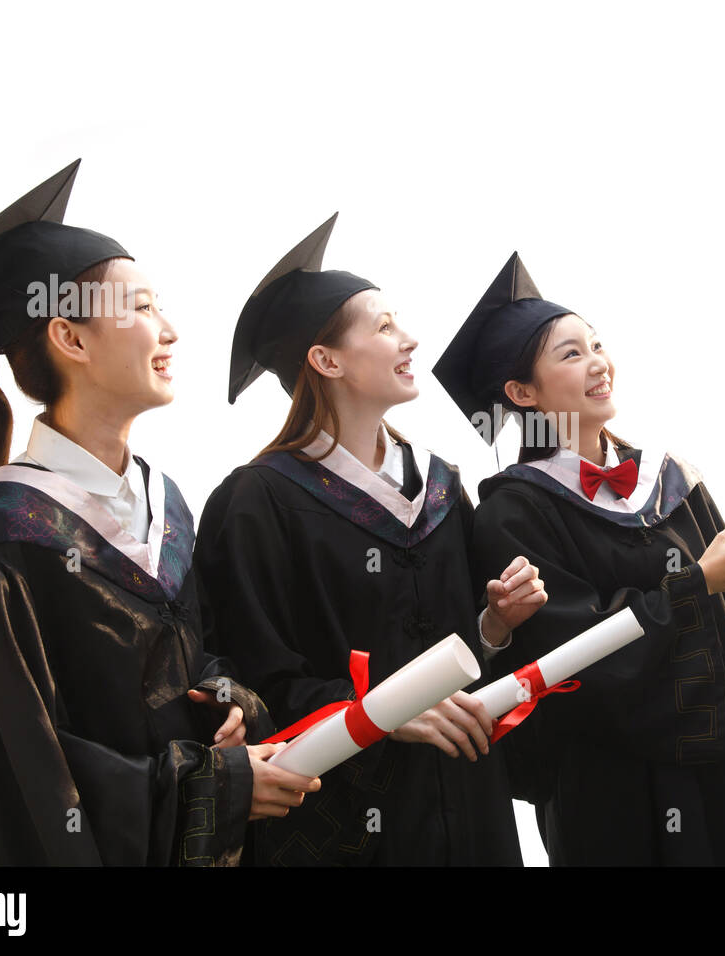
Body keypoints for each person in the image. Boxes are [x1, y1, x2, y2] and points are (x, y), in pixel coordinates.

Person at [0, 160, 319, 866]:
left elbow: (198, 655)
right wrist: (216, 788)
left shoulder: (168, 508)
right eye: (144, 307)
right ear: (71, 339)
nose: (172, 330)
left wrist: (226, 699)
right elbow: (10, 779)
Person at [437, 252, 725, 865]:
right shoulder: (512, 514)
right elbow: (576, 659)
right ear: (521, 393)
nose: (598, 363)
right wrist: (699, 582)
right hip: (612, 794)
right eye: (571, 354)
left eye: (595, 343)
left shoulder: (672, 479)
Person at [194, 214, 543, 866]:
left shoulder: (439, 486)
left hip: (468, 804)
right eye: (384, 327)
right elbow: (252, 681)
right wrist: (380, 711)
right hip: (342, 824)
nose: (409, 339)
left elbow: (461, 647)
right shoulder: (258, 501)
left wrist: (493, 624)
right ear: (325, 361)